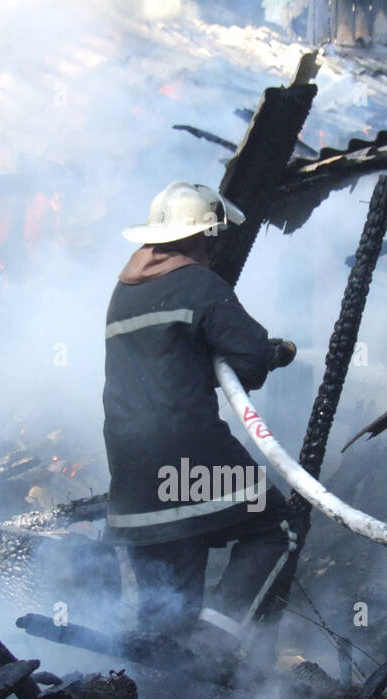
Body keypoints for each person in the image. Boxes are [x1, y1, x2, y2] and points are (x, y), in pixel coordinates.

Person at [103, 181, 298, 653]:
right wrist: (274, 353)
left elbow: (166, 363)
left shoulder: (123, 294)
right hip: (187, 453)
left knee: (164, 607)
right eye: (213, 239)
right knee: (274, 527)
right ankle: (213, 644)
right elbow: (248, 359)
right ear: (200, 237)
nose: (213, 250)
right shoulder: (199, 285)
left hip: (128, 471)